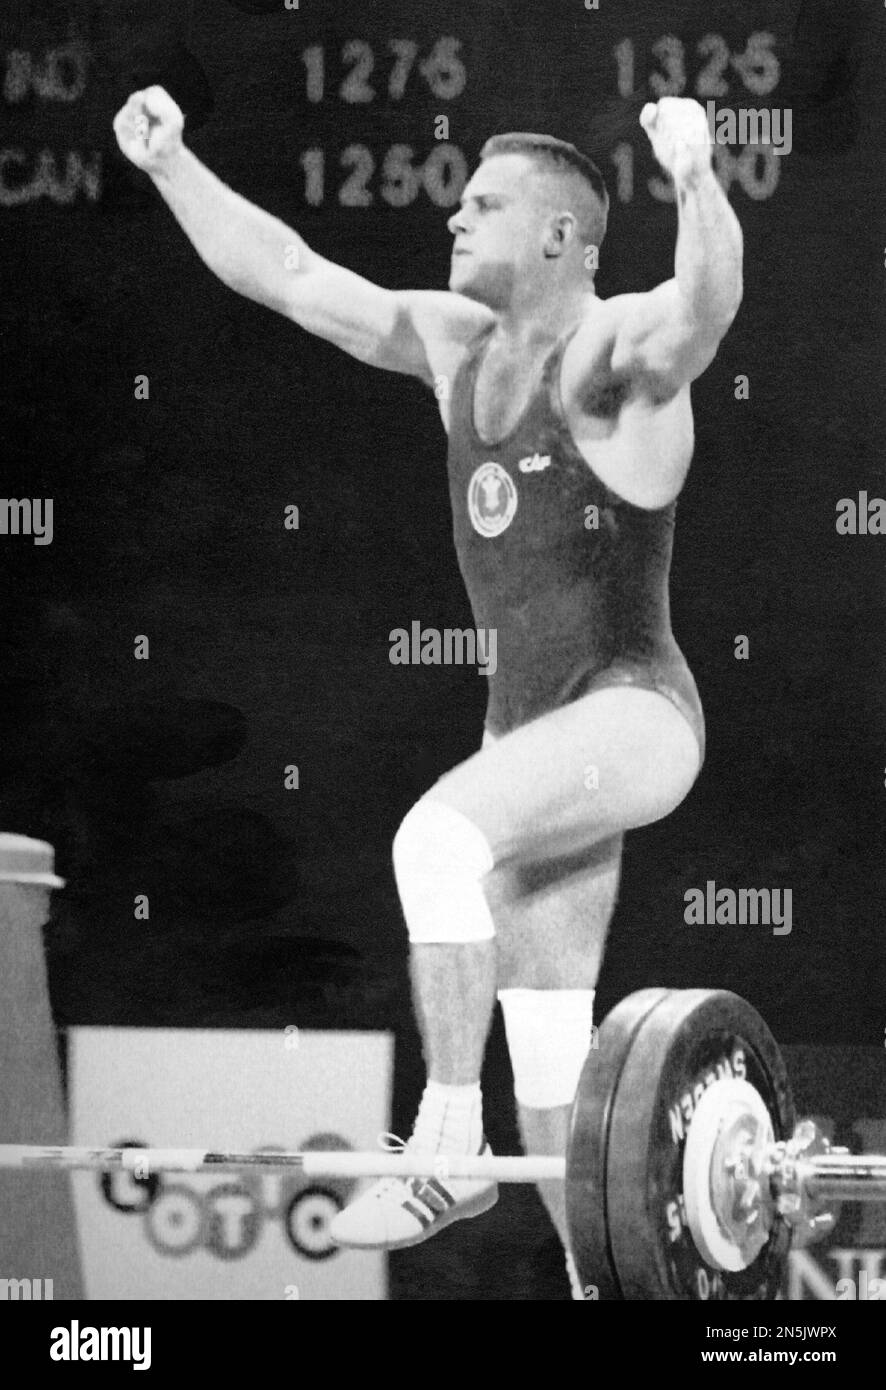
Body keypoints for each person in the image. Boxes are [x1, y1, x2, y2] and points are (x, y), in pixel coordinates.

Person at [114, 91, 742, 1294]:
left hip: (634, 712)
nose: (452, 213)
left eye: (485, 203)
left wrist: (698, 178)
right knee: (562, 1110)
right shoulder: (452, 342)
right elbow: (292, 272)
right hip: (529, 738)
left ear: (561, 237)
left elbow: (705, 306)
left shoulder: (610, 358)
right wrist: (175, 165)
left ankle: (446, 1136)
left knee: (435, 837)